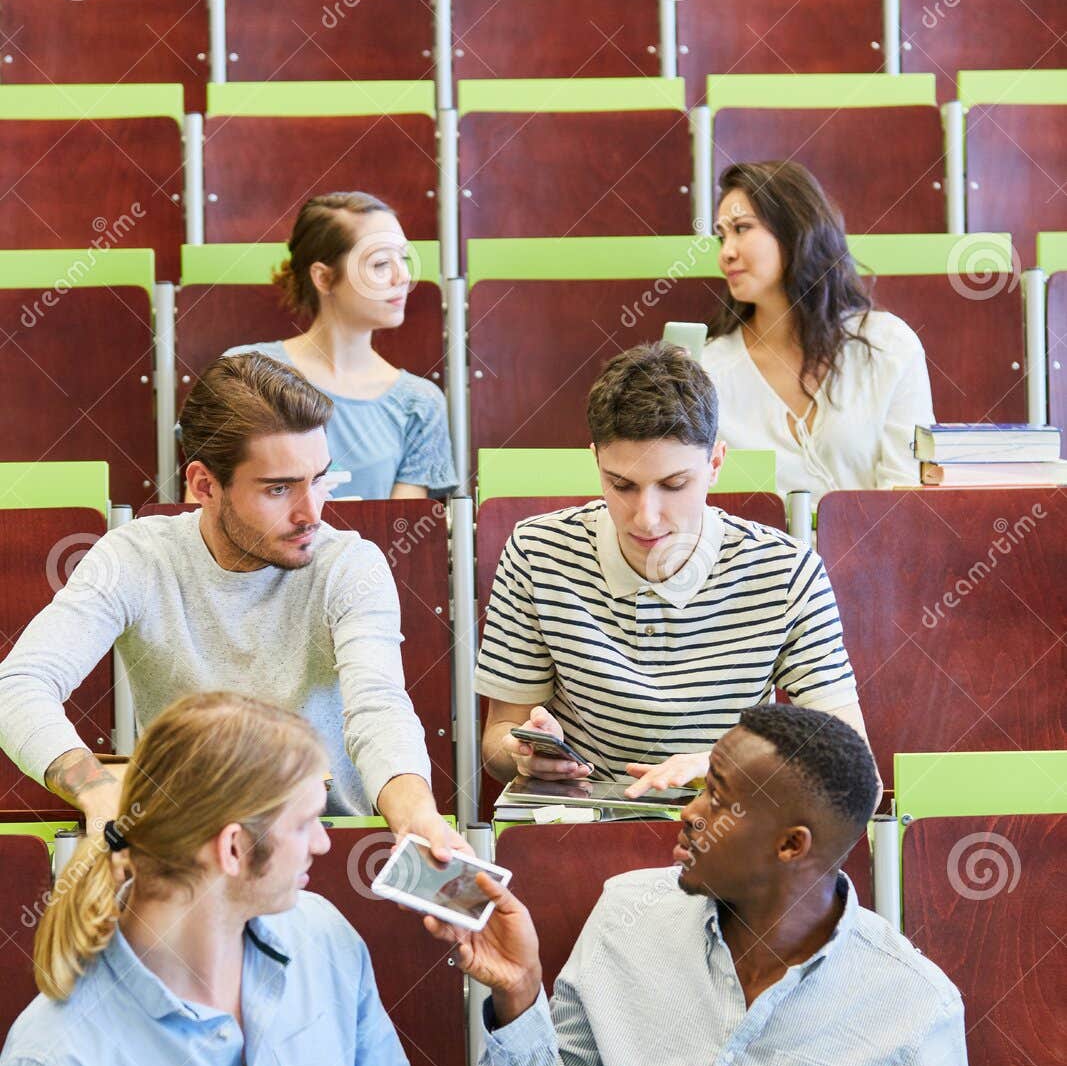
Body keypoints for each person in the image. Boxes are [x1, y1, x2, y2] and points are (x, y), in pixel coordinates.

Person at [425, 705, 967, 1066]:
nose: (688, 813)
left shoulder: (917, 1007)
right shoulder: (626, 915)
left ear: (790, 845)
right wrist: (519, 992)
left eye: (716, 799)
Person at [0, 693, 444, 1066]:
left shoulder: (324, 940)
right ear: (234, 848)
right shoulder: (53, 1062)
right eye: (306, 822)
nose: (323, 843)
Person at [0, 351, 462, 856]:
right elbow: (20, 685)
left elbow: (379, 710)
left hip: (323, 844)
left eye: (320, 479)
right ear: (204, 485)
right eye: (280, 488)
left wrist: (417, 814)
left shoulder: (351, 565)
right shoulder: (136, 556)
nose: (311, 512)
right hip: (190, 855)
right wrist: (93, 787)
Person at [477, 341, 872, 799]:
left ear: (715, 464)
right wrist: (523, 753)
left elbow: (851, 759)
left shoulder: (786, 572)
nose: (646, 517)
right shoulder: (537, 553)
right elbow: (498, 739)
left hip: (729, 827)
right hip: (589, 823)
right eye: (621, 485)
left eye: (674, 484)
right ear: (597, 463)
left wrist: (723, 766)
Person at [702, 160, 934, 501]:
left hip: (879, 553)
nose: (726, 253)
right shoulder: (708, 369)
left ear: (795, 229)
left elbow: (907, 498)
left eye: (741, 228)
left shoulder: (890, 346)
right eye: (722, 236)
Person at [225, 191, 457, 501]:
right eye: (379, 264)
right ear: (323, 277)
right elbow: (204, 510)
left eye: (402, 258)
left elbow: (399, 533)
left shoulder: (420, 404)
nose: (403, 276)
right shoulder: (243, 373)